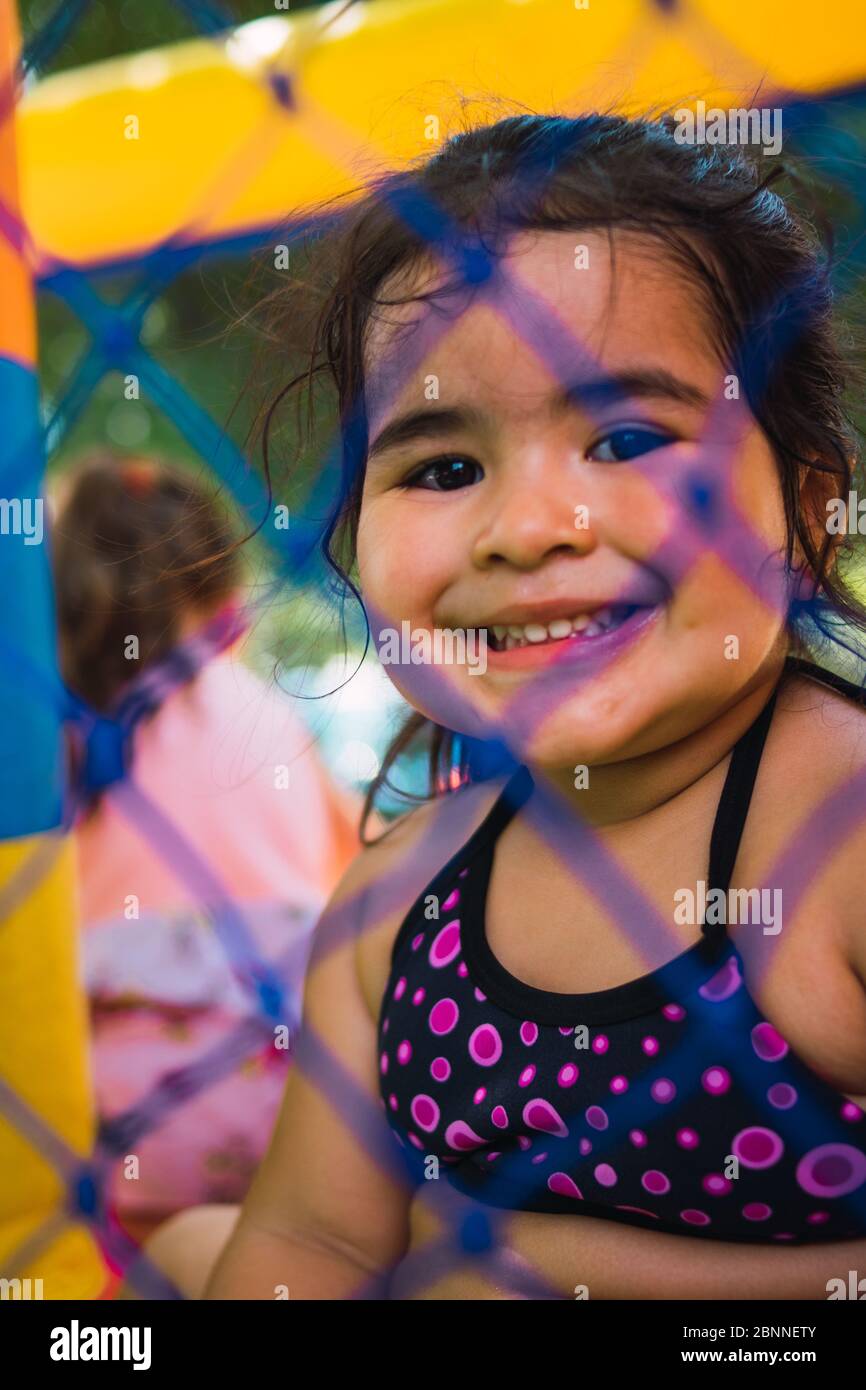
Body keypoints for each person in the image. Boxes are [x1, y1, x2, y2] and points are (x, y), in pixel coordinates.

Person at [148, 113, 866, 1299]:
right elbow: (314, 1243)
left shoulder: (835, 833)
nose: (527, 528)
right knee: (194, 1249)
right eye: (441, 469)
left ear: (802, 515)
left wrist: (560, 1263)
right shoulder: (393, 908)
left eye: (626, 438)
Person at [53, 453, 365, 1247]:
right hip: (290, 1107)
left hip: (100, 1109)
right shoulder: (268, 716)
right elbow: (354, 868)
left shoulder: (64, 734)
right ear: (228, 602)